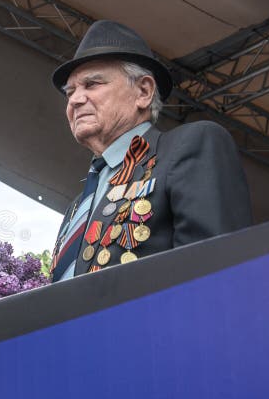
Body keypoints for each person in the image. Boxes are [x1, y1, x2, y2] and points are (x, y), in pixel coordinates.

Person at [49, 20, 252, 282]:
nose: (75, 100)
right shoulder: (77, 206)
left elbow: (216, 273)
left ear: (143, 92)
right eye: (70, 92)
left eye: (92, 84)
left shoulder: (190, 145)